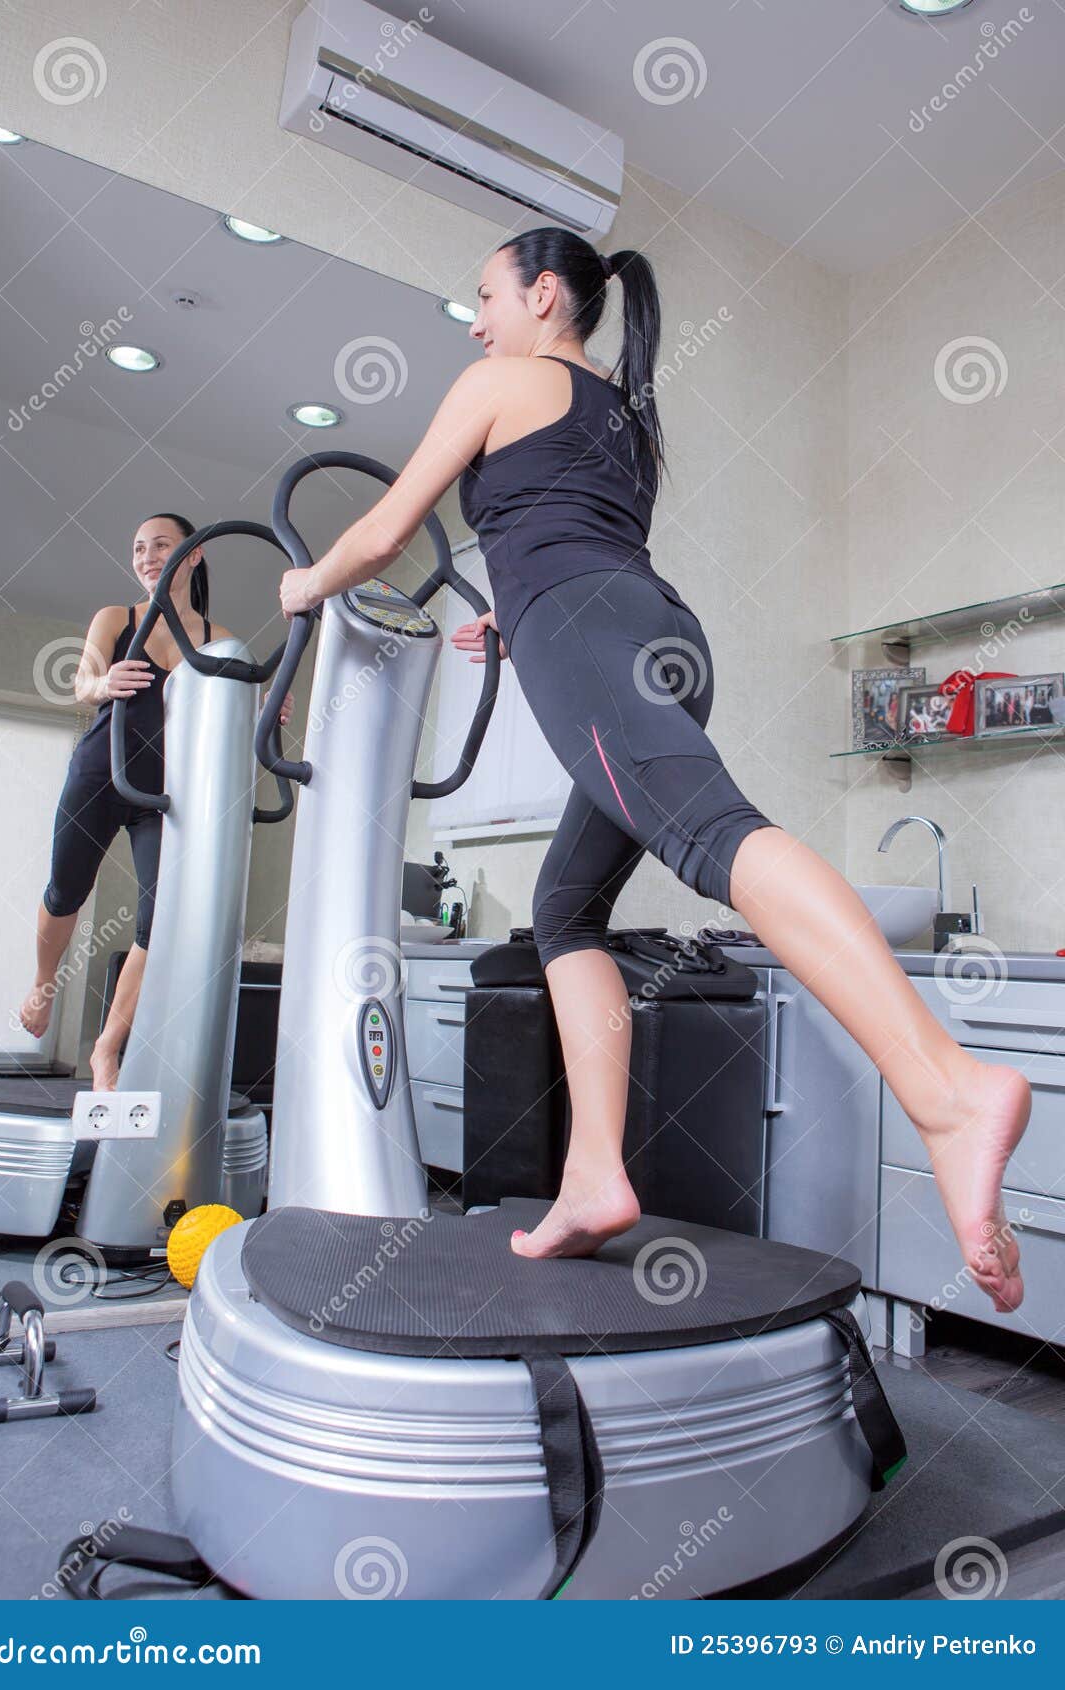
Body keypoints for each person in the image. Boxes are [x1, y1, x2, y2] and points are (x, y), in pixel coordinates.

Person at [279, 228, 1030, 1314]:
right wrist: (523, 619)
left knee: (714, 837)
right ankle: (594, 1174)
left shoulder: (499, 381)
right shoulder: (623, 415)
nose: (476, 322)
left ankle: (948, 1089)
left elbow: (388, 530)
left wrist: (306, 584)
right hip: (652, 631)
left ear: (544, 294)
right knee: (563, 911)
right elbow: (575, 534)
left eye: (485, 297)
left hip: (590, 630)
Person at [19, 513, 292, 1089]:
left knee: (158, 921)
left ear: (193, 555)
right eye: (139, 548)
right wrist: (103, 683)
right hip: (100, 772)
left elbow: (233, 717)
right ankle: (43, 983)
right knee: (65, 890)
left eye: (161, 546)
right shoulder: (116, 619)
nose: (146, 557)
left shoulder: (219, 638)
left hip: (164, 793)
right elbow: (83, 683)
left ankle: (106, 1049)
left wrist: (266, 709)